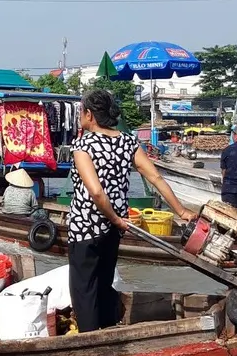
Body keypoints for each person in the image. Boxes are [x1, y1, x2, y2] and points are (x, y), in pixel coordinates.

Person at [68, 89, 196, 333]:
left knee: (84, 289)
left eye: (81, 112)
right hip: (114, 229)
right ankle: (108, 331)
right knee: (104, 282)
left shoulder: (82, 144)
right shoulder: (128, 142)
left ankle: (90, 341)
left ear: (89, 114)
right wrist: (181, 211)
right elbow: (156, 177)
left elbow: (96, 192)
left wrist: (114, 218)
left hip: (86, 227)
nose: (80, 117)